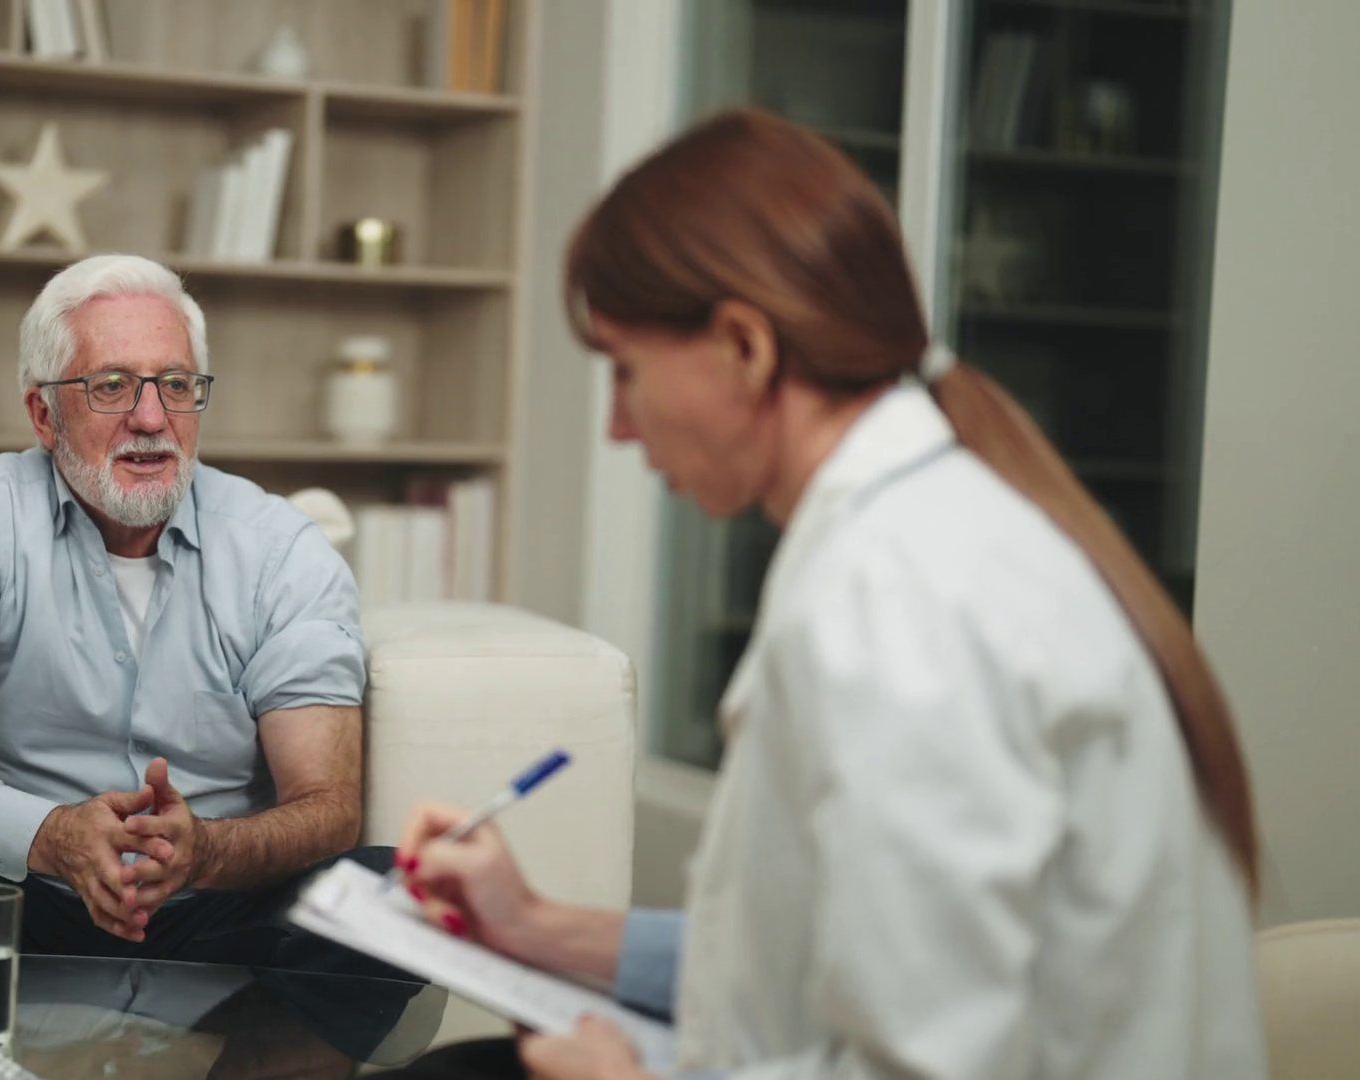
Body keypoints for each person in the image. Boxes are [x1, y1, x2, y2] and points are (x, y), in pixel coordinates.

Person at [389, 109, 1266, 1080]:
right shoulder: (922, 540)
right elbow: (816, 964)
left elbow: (932, 1061)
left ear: (744, 349)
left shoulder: (894, 603)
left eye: (626, 373)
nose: (618, 430)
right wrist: (540, 927)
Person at [0, 254, 398, 980]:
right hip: (12, 894)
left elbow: (328, 805)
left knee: (389, 895)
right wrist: (48, 836)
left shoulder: (281, 549)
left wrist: (204, 851)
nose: (151, 418)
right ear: (43, 414)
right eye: (111, 385)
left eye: (175, 385)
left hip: (212, 904)